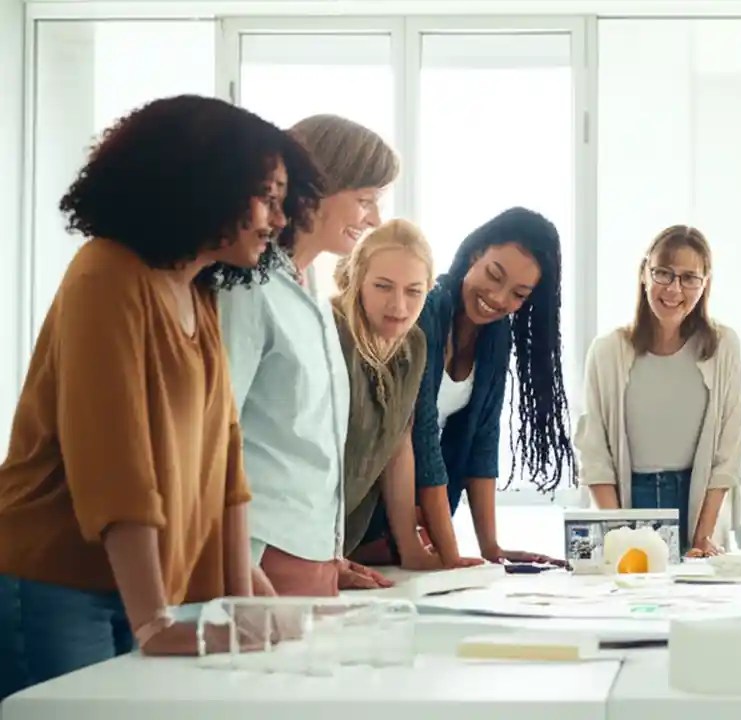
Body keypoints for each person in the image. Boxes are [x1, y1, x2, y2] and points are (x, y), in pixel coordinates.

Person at [0, 95, 323, 698]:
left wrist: (241, 592)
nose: (278, 221)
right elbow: (113, 460)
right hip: (59, 582)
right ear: (206, 186)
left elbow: (226, 461)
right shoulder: (106, 275)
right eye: (268, 198)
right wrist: (154, 621)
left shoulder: (196, 291)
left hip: (145, 587)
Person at [220, 114, 399, 596]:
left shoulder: (314, 298)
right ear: (314, 190)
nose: (375, 220)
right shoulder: (246, 288)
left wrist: (330, 554)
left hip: (311, 554)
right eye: (365, 201)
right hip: (259, 554)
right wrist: (242, 565)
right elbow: (215, 435)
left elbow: (310, 444)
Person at [411, 207, 576, 566]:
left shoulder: (496, 336)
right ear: (475, 254)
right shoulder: (425, 311)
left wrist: (491, 549)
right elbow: (421, 435)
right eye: (494, 275)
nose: (499, 299)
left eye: (518, 294)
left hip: (423, 520)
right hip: (379, 511)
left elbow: (482, 442)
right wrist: (449, 551)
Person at [575, 225, 741, 556]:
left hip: (695, 503)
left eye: (689, 277)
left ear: (705, 283)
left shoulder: (723, 346)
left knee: (698, 601)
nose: (674, 289)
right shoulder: (608, 350)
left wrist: (702, 537)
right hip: (628, 499)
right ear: (644, 274)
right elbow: (595, 453)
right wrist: (619, 533)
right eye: (663, 274)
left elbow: (729, 452)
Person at [334, 219, 482, 574]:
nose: (398, 306)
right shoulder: (330, 331)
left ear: (429, 289)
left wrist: (411, 549)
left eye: (414, 291)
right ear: (357, 279)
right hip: (292, 535)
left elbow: (399, 447)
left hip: (346, 537)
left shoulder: (413, 346)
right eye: (383, 286)